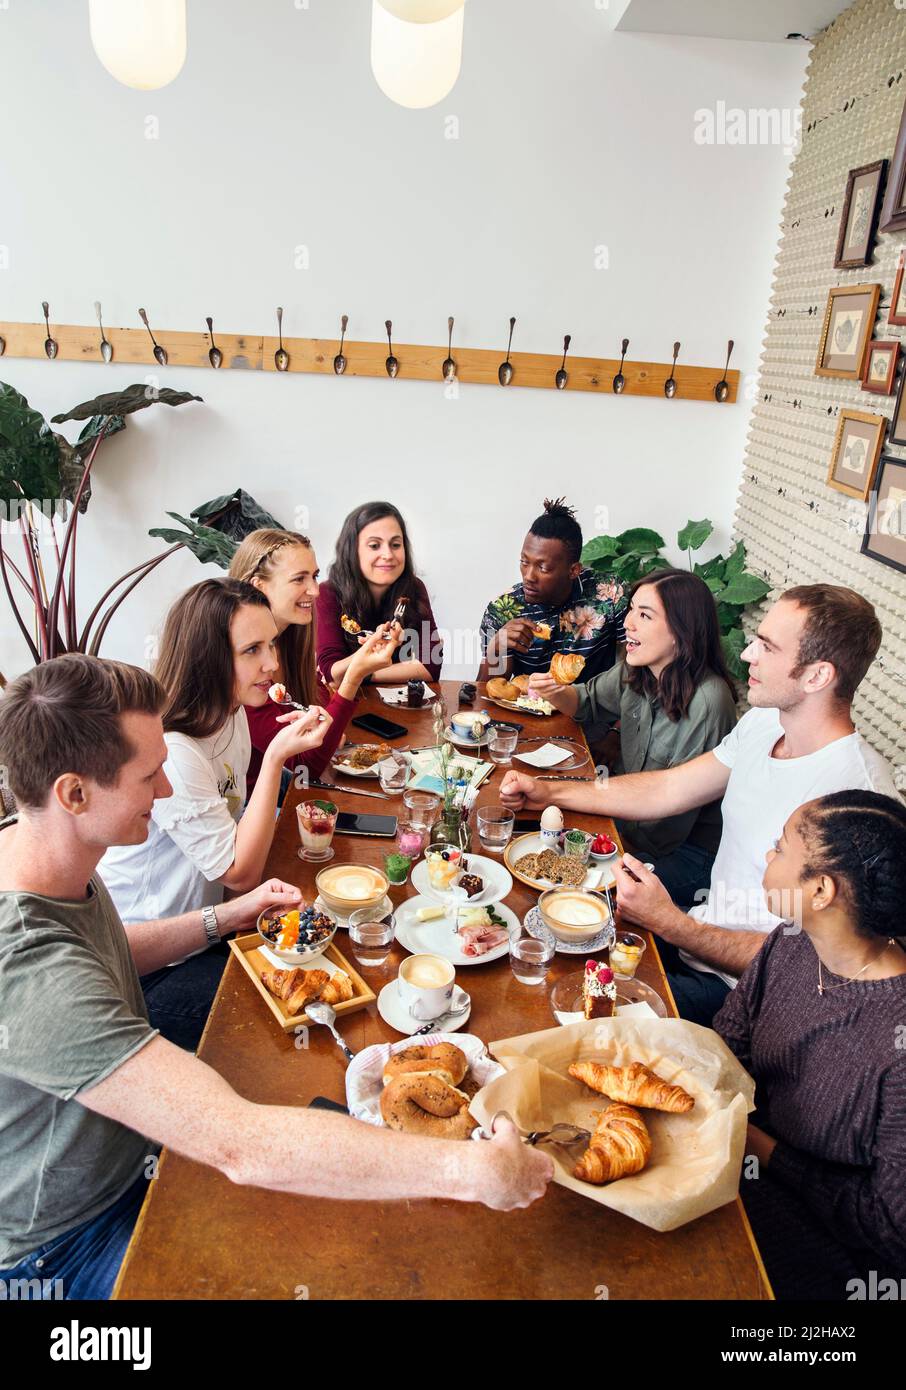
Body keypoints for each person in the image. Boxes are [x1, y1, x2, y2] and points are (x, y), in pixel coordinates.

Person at [0, 655, 553, 1299]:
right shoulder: (27, 961)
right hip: (67, 1240)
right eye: (150, 776)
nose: (166, 792)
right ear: (74, 792)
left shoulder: (41, 847)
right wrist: (473, 1173)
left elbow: (102, 949)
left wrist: (224, 916)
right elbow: (241, 1147)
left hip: (139, 1149)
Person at [500, 584, 899, 1025]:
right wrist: (550, 791)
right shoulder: (765, 724)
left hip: (745, 994)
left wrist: (671, 924)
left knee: (557, 1013)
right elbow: (669, 789)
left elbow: (818, 966)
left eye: (767, 646)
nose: (747, 654)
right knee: (530, 938)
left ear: (817, 676)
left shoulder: (856, 797)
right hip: (694, 938)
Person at [99, 578, 337, 1050]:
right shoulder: (175, 750)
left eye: (271, 644)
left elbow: (239, 855)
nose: (272, 663)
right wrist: (275, 760)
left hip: (211, 926)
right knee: (299, 1015)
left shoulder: (230, 712)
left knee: (326, 953)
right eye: (251, 649)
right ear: (208, 657)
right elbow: (241, 873)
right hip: (151, 967)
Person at [714, 791, 906, 1300]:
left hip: (827, 1249)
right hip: (736, 1163)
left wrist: (759, 1147)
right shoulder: (793, 941)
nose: (766, 857)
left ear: (820, 889)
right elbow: (728, 1047)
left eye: (779, 848)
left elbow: (889, 1226)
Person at [527, 569, 738, 907]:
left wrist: (607, 846)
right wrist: (554, 691)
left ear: (681, 630)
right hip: (626, 821)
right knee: (541, 854)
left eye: (644, 615)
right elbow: (585, 702)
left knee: (588, 894)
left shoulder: (709, 701)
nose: (628, 623)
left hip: (685, 853)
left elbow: (670, 814)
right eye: (631, 610)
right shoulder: (636, 668)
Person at [228, 527, 403, 796]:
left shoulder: (290, 642)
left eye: (314, 576)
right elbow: (304, 768)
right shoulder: (243, 667)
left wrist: (361, 657)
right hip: (262, 811)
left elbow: (319, 714)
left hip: (293, 795)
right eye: (299, 579)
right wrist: (354, 676)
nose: (315, 590)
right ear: (258, 587)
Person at [478, 497, 626, 684]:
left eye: (543, 568)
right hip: (527, 709)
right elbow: (485, 695)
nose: (529, 576)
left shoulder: (610, 594)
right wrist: (495, 649)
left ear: (574, 570)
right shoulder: (502, 609)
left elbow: (632, 672)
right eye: (524, 562)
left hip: (592, 709)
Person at [316, 501, 443, 687]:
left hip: (396, 703)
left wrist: (364, 674)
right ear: (352, 550)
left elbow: (430, 666)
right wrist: (370, 655)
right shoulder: (328, 592)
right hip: (343, 705)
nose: (388, 554)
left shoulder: (414, 588)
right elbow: (331, 673)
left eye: (396, 544)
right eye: (375, 545)